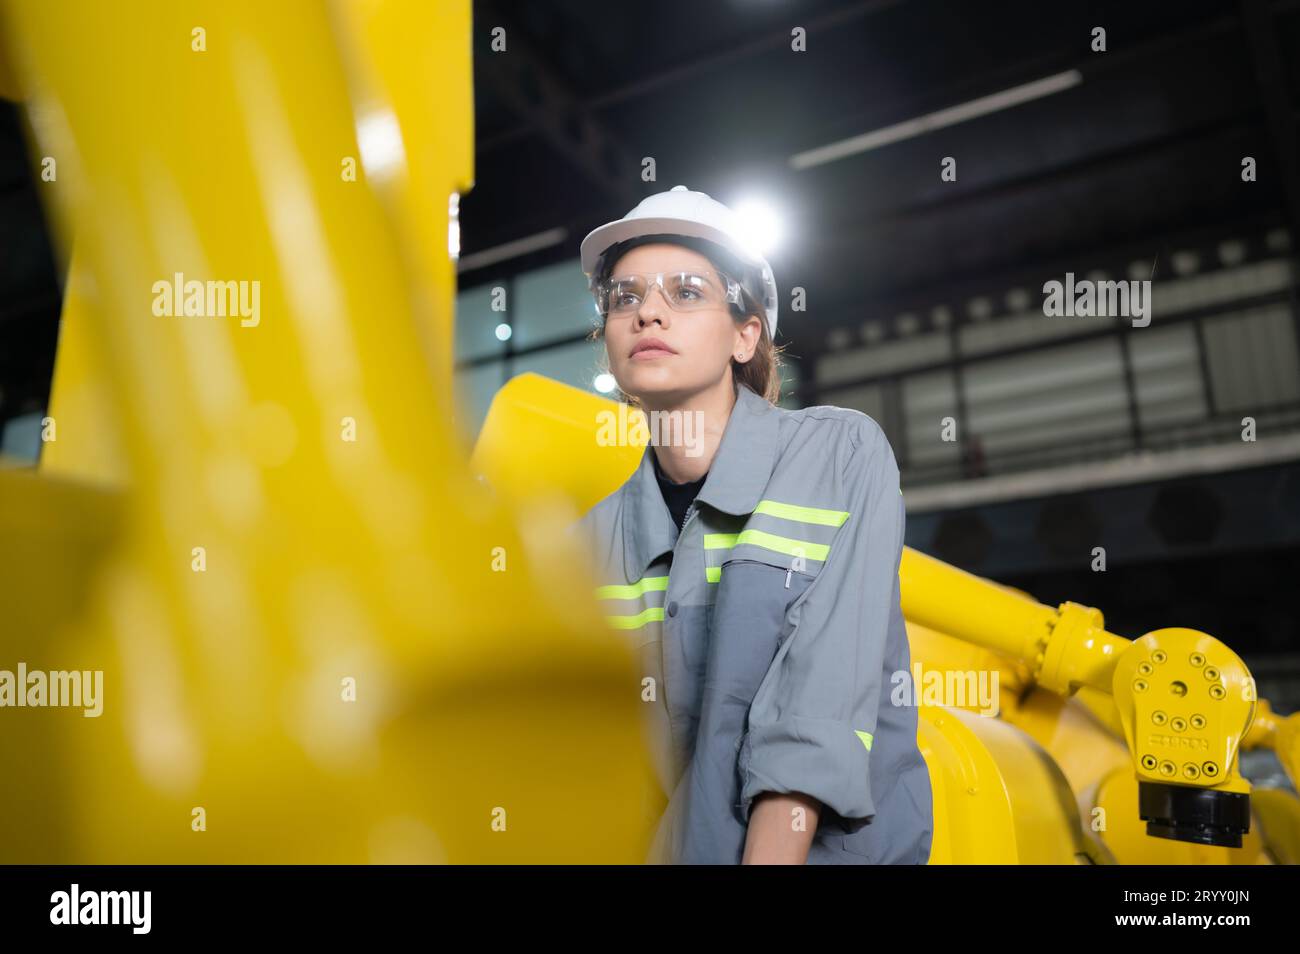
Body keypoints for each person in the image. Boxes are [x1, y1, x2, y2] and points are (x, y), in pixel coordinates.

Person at [573, 185, 932, 865]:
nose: (647, 311)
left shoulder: (838, 455)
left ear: (746, 335)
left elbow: (814, 710)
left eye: (684, 291)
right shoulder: (586, 546)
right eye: (625, 297)